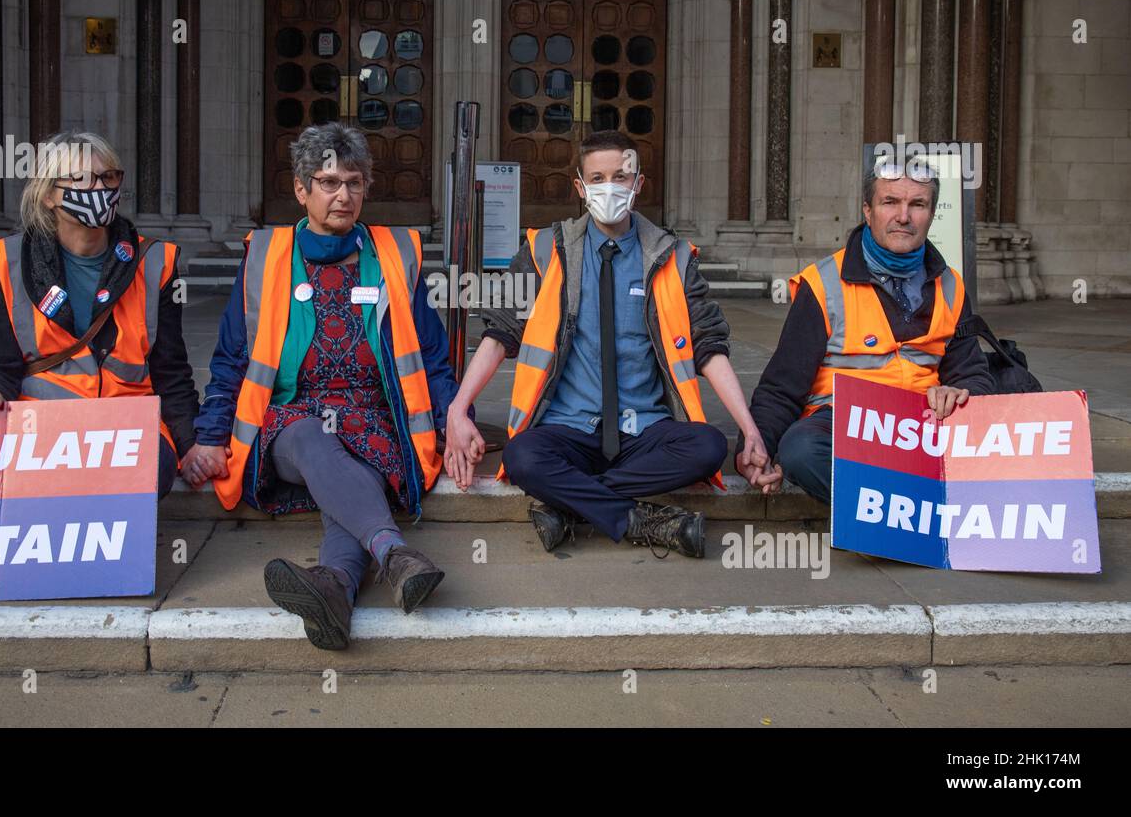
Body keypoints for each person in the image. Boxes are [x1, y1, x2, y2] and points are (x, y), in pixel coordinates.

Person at [183, 123, 464, 651]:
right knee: (315, 437)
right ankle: (396, 554)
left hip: (376, 420)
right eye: (329, 182)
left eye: (354, 183)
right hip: (295, 421)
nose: (344, 195)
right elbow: (230, 359)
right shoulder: (265, 258)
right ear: (300, 189)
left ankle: (334, 587)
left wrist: (454, 418)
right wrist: (208, 434)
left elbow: (429, 355)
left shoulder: (395, 254)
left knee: (354, 466)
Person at [444, 129, 772, 559]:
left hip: (645, 430)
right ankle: (639, 519)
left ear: (638, 184)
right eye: (597, 178)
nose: (610, 187)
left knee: (708, 447)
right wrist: (457, 408)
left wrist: (749, 431)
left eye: (621, 176)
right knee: (524, 456)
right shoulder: (544, 250)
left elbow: (708, 344)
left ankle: (571, 507)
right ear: (580, 188)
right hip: (568, 428)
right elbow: (501, 331)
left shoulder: (672, 256)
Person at [0, 131, 199, 499]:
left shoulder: (155, 261)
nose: (99, 189)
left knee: (155, 467)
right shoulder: (9, 261)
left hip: (124, 430)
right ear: (48, 195)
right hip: (39, 426)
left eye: (108, 177)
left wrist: (189, 443)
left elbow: (171, 372)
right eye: (82, 179)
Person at [736, 154, 994, 501]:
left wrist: (960, 392)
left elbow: (972, 373)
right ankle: (918, 507)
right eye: (890, 202)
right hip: (845, 426)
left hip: (921, 427)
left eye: (917, 204)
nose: (904, 216)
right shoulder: (823, 283)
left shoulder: (950, 285)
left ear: (932, 214)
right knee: (800, 450)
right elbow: (782, 388)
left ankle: (897, 505)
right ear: (868, 211)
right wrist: (756, 446)